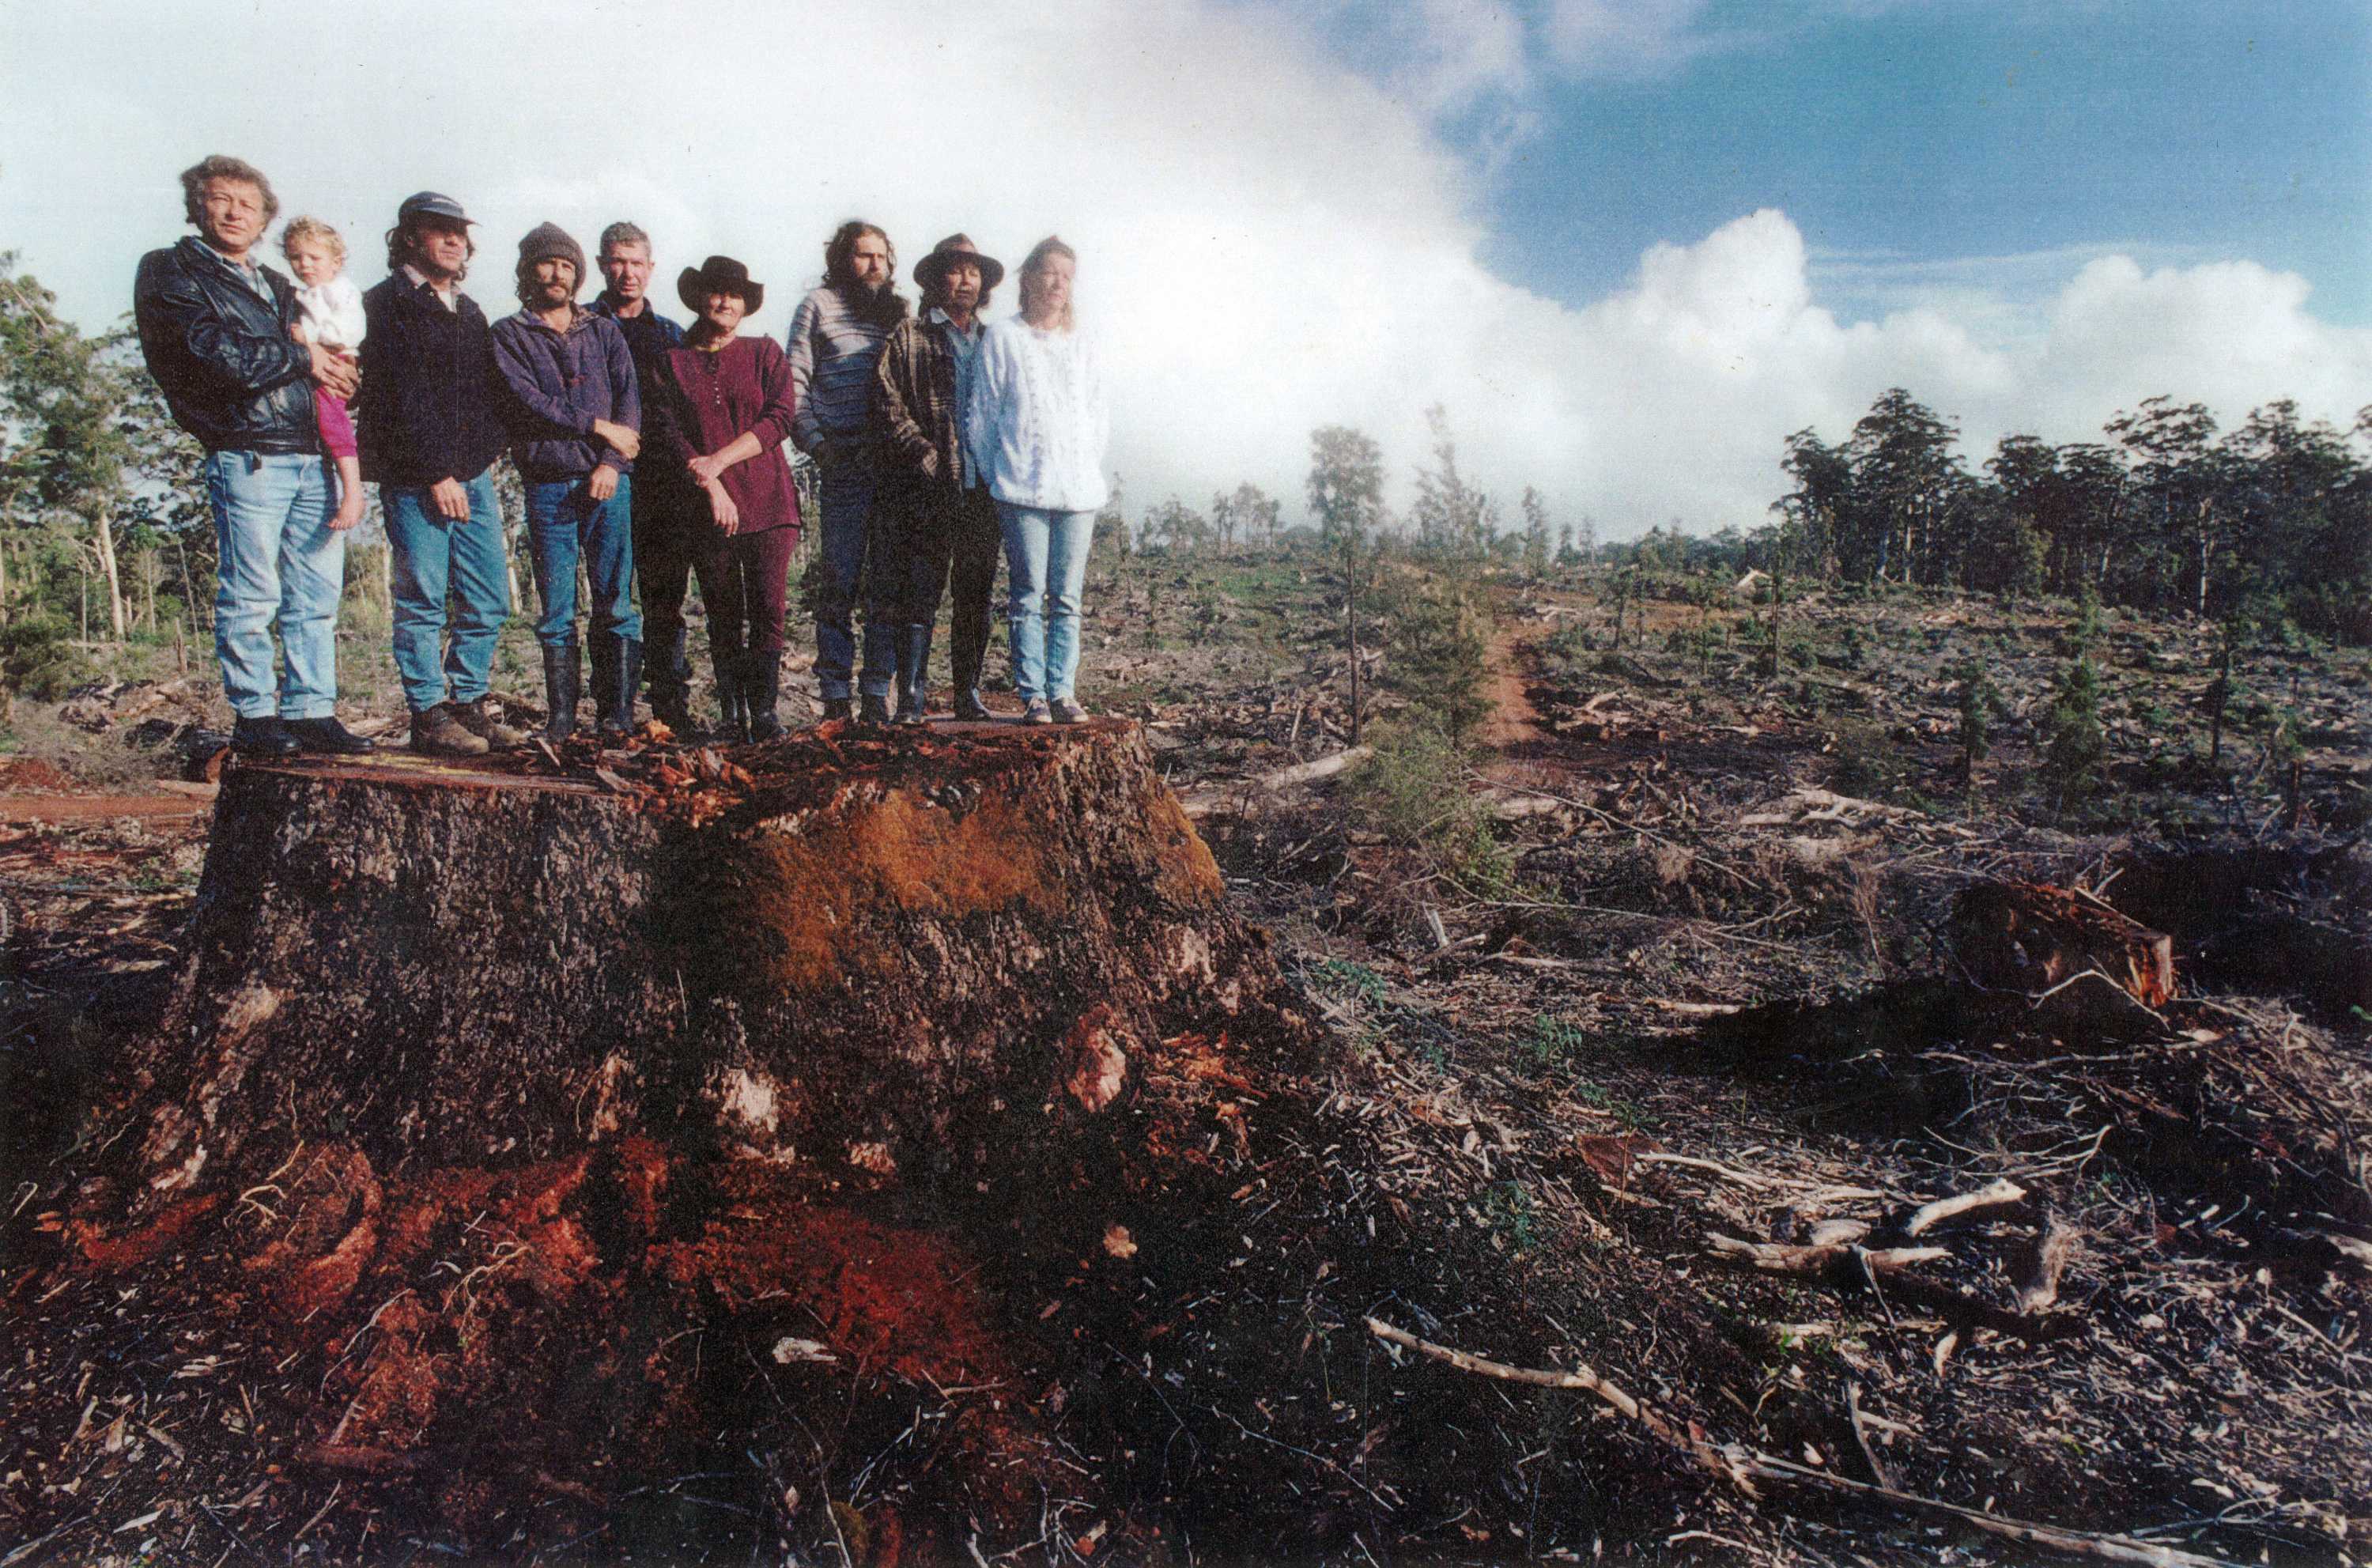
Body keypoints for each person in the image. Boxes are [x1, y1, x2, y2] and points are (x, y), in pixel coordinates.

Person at [132, 155, 372, 757]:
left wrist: (344, 373)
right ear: (197, 205)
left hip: (314, 453)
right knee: (252, 593)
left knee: (316, 596)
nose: (235, 211)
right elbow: (211, 353)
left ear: (266, 216)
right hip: (250, 454)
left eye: (249, 202)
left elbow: (323, 355)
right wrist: (305, 359)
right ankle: (256, 716)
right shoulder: (172, 270)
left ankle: (313, 710)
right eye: (220, 198)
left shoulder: (280, 283)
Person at [358, 191, 523, 758]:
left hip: (472, 475)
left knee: (487, 597)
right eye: (440, 230)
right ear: (409, 237)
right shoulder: (385, 303)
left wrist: (486, 453)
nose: (455, 240)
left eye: (460, 232)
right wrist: (436, 472)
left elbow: (485, 392)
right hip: (417, 478)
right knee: (424, 597)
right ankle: (427, 713)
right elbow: (402, 396)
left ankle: (468, 705)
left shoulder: (468, 308)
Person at [490, 222, 643, 740]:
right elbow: (528, 400)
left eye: (565, 265)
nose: (555, 274)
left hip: (607, 482)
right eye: (545, 263)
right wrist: (596, 427)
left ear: (577, 274)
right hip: (549, 484)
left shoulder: (602, 331)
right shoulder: (510, 336)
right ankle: (561, 718)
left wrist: (611, 464)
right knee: (556, 608)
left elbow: (629, 404)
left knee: (615, 600)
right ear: (527, 270)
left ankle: (616, 713)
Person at [645, 256, 801, 741]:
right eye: (716, 292)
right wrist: (710, 481)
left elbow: (780, 418)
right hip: (706, 507)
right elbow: (668, 431)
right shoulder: (671, 362)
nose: (726, 301)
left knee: (769, 610)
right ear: (699, 298)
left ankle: (766, 713)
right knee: (722, 611)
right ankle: (734, 714)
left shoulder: (764, 353)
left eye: (735, 294)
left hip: (768, 501)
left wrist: (721, 460)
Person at [965, 236, 1109, 725]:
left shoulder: (1083, 343)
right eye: (1048, 272)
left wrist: (1083, 465)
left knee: (1067, 597)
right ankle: (1034, 697)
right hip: (1021, 488)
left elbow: (1097, 415)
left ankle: (1064, 691)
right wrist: (997, 474)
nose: (1057, 284)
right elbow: (982, 415)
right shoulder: (1003, 337)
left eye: (1066, 276)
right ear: (1028, 278)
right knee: (1026, 594)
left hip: (1078, 492)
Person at [873, 233, 1004, 724]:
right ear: (934, 279)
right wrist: (922, 453)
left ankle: (967, 691)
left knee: (976, 592)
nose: (965, 280)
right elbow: (886, 401)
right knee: (920, 591)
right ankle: (911, 696)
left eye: (974, 272)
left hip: (983, 489)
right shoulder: (909, 336)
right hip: (927, 489)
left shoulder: (995, 342)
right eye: (955, 270)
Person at [785, 221, 907, 722]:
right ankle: (835, 697)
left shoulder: (899, 314)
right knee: (839, 581)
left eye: (881, 256)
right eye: (862, 255)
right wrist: (817, 443)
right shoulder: (817, 305)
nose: (873, 265)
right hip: (842, 461)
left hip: (892, 461)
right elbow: (794, 382)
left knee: (887, 584)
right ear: (841, 260)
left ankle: (877, 692)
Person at [587, 222, 697, 732]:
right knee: (609, 596)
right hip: (601, 477)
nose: (626, 272)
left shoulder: (672, 336)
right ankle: (615, 711)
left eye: (636, 263)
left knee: (664, 597)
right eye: (617, 261)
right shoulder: (581, 326)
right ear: (602, 265)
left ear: (651, 269)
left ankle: (671, 709)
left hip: (664, 487)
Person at [279, 217, 368, 535]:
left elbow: (349, 330)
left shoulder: (341, 291)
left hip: (336, 357)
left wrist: (309, 338)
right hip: (317, 359)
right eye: (296, 257)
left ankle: (354, 491)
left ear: (336, 261)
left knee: (333, 422)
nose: (305, 265)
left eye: (314, 258)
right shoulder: (305, 293)